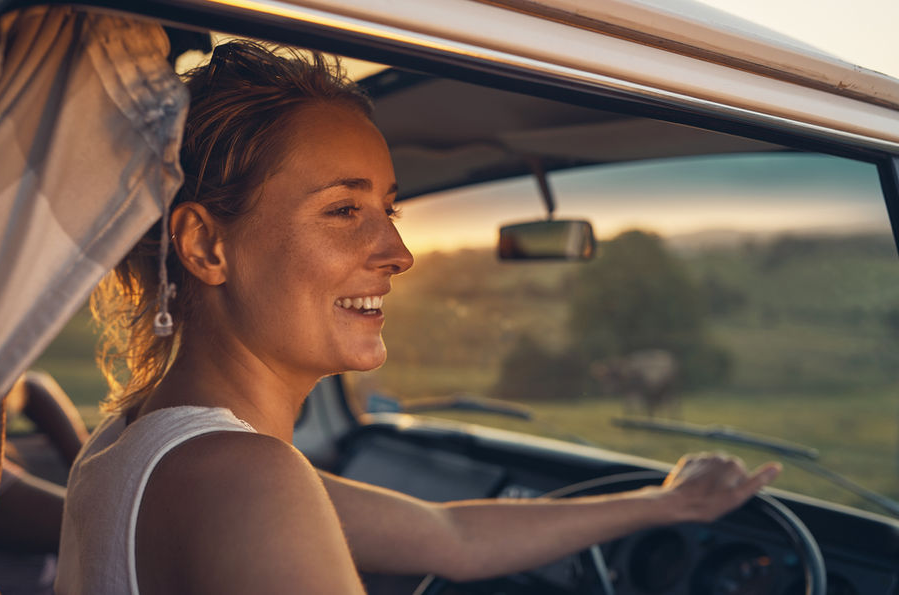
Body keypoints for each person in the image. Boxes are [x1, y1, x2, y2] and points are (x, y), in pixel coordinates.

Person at [55, 40, 781, 594]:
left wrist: (666, 504)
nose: (398, 253)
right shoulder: (243, 476)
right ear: (205, 245)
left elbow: (452, 535)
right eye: (344, 210)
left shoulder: (135, 437)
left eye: (388, 209)